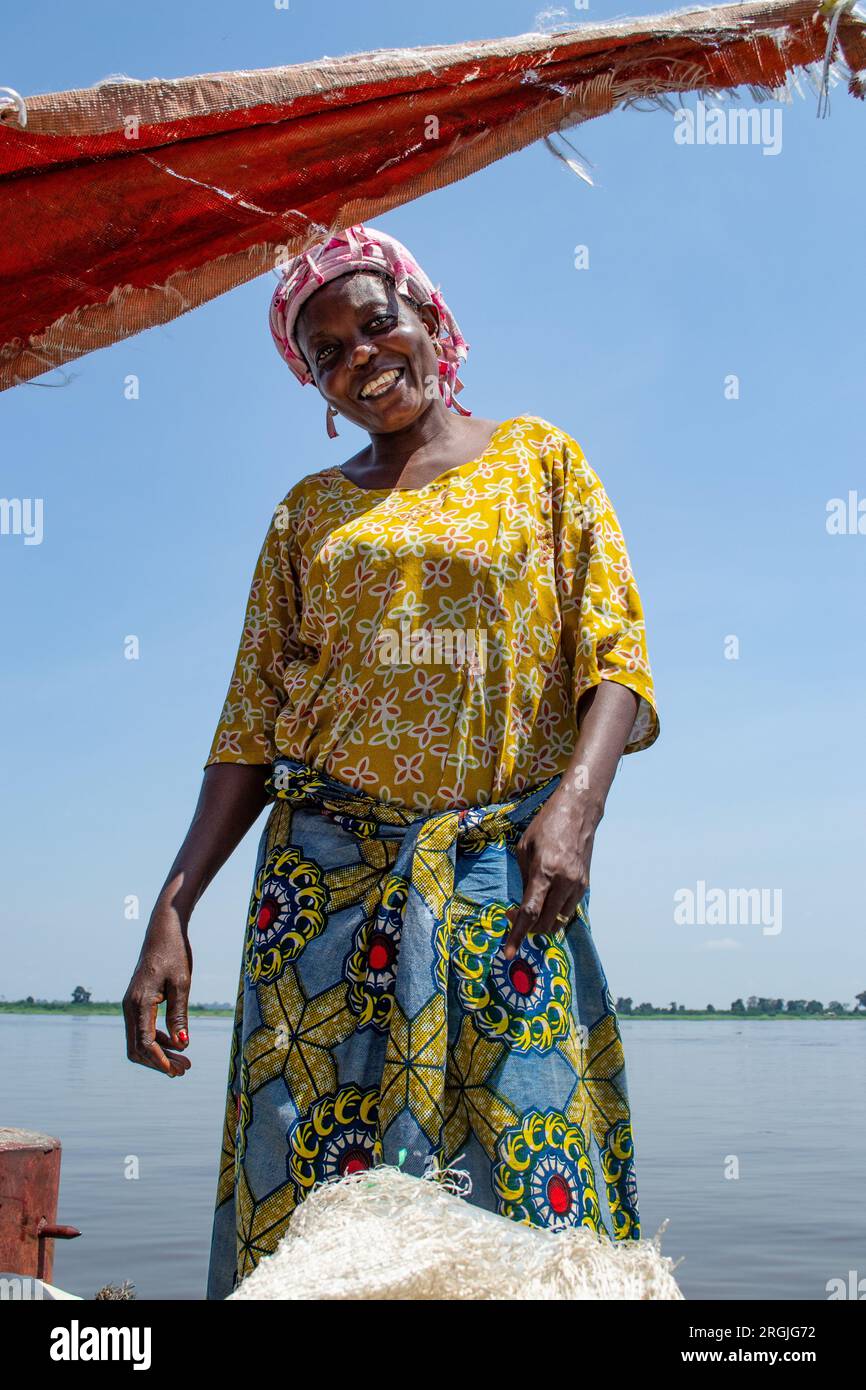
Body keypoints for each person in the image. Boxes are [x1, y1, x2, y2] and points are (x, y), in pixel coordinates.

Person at [122, 222, 660, 1299]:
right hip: (320, 897)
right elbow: (248, 728)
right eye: (326, 351)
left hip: (493, 876)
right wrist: (172, 910)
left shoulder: (541, 461)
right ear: (312, 382)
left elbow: (617, 656)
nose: (360, 356)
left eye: (376, 324)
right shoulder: (305, 516)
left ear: (429, 321)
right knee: (312, 1185)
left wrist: (576, 811)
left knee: (533, 1170)